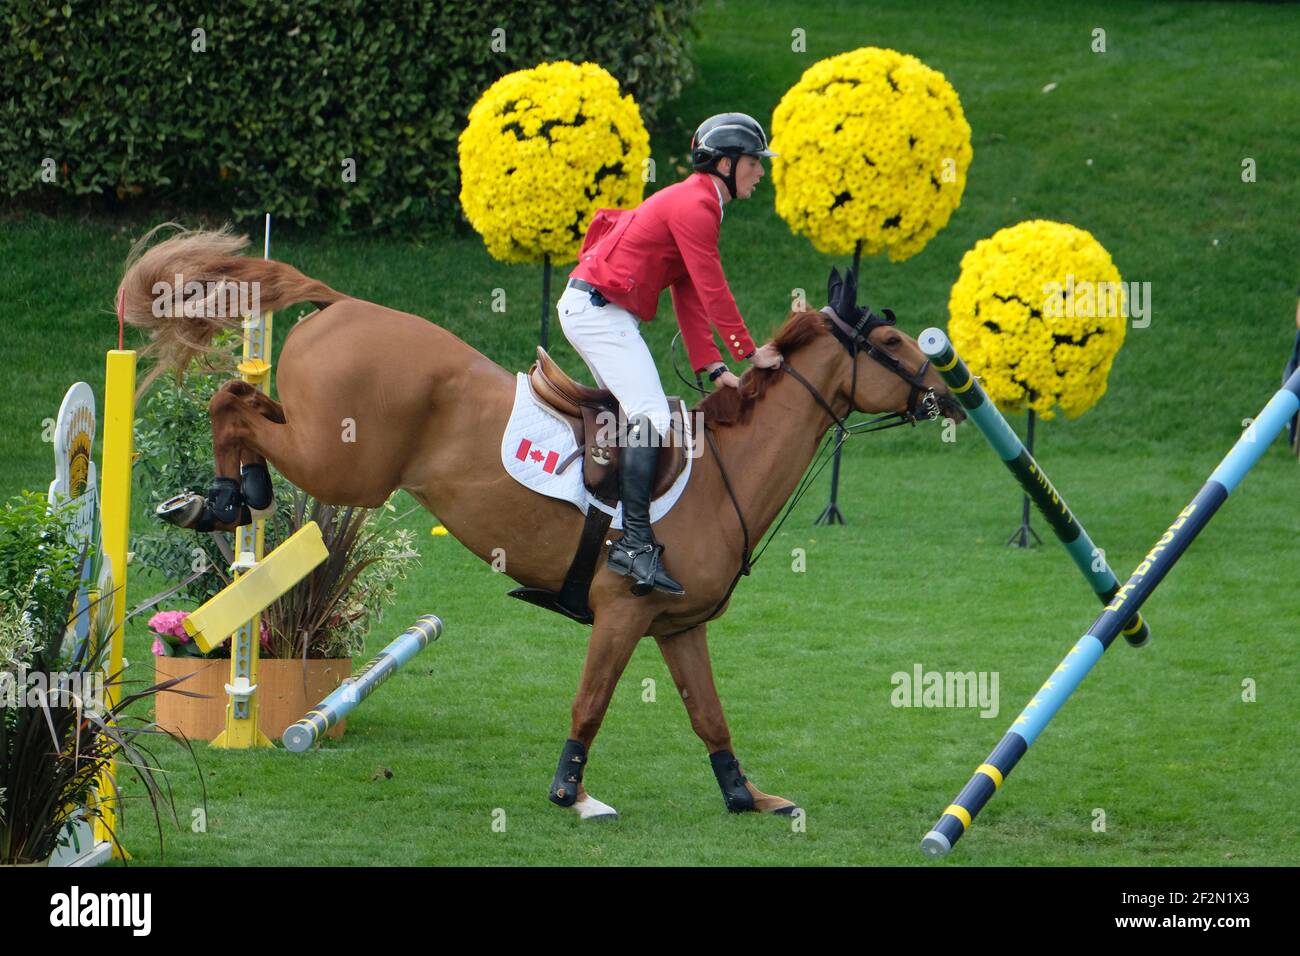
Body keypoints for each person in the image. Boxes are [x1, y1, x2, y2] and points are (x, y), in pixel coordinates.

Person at [557, 112, 784, 597]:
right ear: (725, 163)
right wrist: (748, 353)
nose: (760, 173)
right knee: (651, 415)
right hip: (598, 313)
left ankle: (613, 525)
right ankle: (636, 546)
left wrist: (715, 365)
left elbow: (687, 291)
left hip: (598, 311)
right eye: (753, 163)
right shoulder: (698, 205)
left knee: (640, 415)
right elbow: (712, 286)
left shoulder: (700, 201)